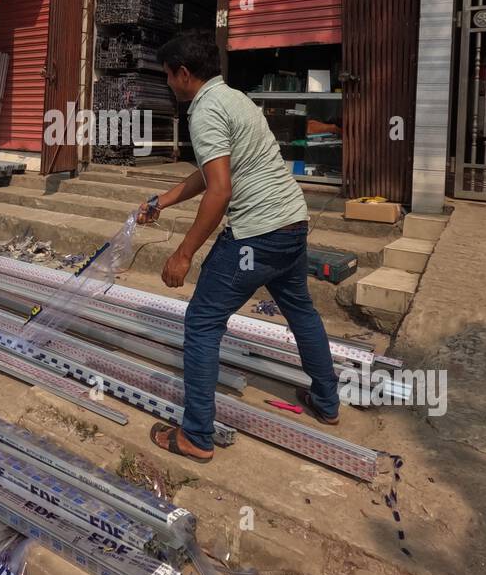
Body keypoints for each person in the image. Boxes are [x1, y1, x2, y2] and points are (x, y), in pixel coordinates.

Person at [137, 31, 340, 463]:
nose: (168, 84)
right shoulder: (233, 98)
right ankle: (326, 402)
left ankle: (196, 436)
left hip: (257, 233)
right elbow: (210, 173)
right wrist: (163, 200)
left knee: (203, 323)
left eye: (169, 76)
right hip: (292, 222)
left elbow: (220, 190)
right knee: (301, 310)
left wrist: (184, 253)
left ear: (184, 74)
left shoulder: (205, 111)